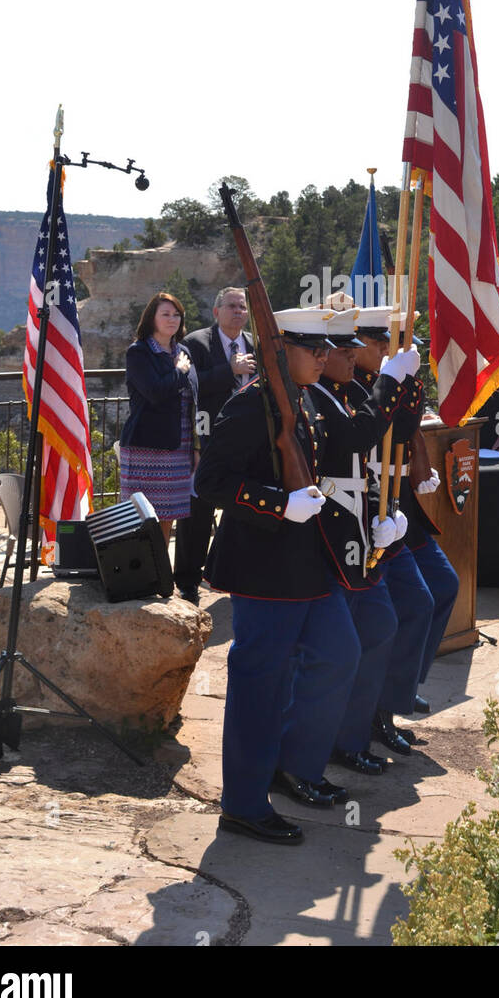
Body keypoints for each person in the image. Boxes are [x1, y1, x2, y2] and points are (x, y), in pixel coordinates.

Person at [193, 308, 360, 845]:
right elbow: (211, 481)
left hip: (309, 567)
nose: (324, 356)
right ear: (280, 349)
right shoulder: (250, 407)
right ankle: (243, 803)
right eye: (313, 349)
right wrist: (276, 504)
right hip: (265, 572)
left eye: (324, 349)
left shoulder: (306, 400)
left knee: (341, 652)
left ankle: (291, 764)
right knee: (258, 687)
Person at [305, 302, 418, 776]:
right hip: (330, 532)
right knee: (341, 647)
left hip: (359, 523)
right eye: (341, 348)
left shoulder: (348, 389)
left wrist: (404, 378)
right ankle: (329, 743)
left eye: (356, 347)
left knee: (380, 627)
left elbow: (400, 429)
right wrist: (391, 379)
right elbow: (356, 439)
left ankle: (352, 735)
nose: (351, 356)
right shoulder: (317, 398)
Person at [352, 308, 459, 756]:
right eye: (381, 345)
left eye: (391, 345)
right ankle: (383, 706)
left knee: (443, 586)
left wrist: (418, 455)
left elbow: (406, 424)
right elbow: (368, 428)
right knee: (413, 604)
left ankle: (403, 681)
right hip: (369, 508)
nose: (387, 353)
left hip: (396, 505)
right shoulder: (357, 388)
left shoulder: (388, 380)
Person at [173, 286, 255, 603]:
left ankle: (230, 574)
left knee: (241, 509)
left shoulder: (253, 345)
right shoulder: (195, 343)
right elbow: (189, 384)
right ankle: (188, 581)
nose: (238, 311)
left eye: (243, 307)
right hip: (204, 439)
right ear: (216, 312)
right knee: (197, 512)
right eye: (231, 306)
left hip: (244, 442)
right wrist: (229, 371)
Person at [119, 292, 197, 547]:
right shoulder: (139, 352)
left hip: (179, 444)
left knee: (168, 516)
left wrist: (196, 445)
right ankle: (141, 577)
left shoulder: (182, 350)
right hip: (147, 444)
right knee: (141, 517)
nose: (172, 319)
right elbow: (154, 392)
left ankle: (162, 576)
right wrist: (179, 371)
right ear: (151, 318)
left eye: (176, 314)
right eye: (165, 314)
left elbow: (194, 399)